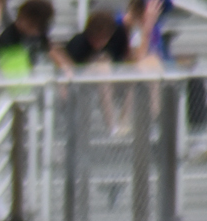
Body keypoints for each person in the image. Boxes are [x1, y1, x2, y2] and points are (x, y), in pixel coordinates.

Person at [65, 3, 163, 131]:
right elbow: (69, 68)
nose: (99, 43)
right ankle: (112, 126)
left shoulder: (122, 33)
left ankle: (143, 122)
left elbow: (135, 58)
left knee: (149, 65)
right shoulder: (79, 42)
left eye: (103, 38)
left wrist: (144, 28)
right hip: (86, 82)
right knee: (103, 67)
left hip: (115, 80)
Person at [0, 0, 75, 72]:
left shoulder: (39, 36)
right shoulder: (8, 37)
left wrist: (66, 69)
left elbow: (51, 50)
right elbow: (16, 72)